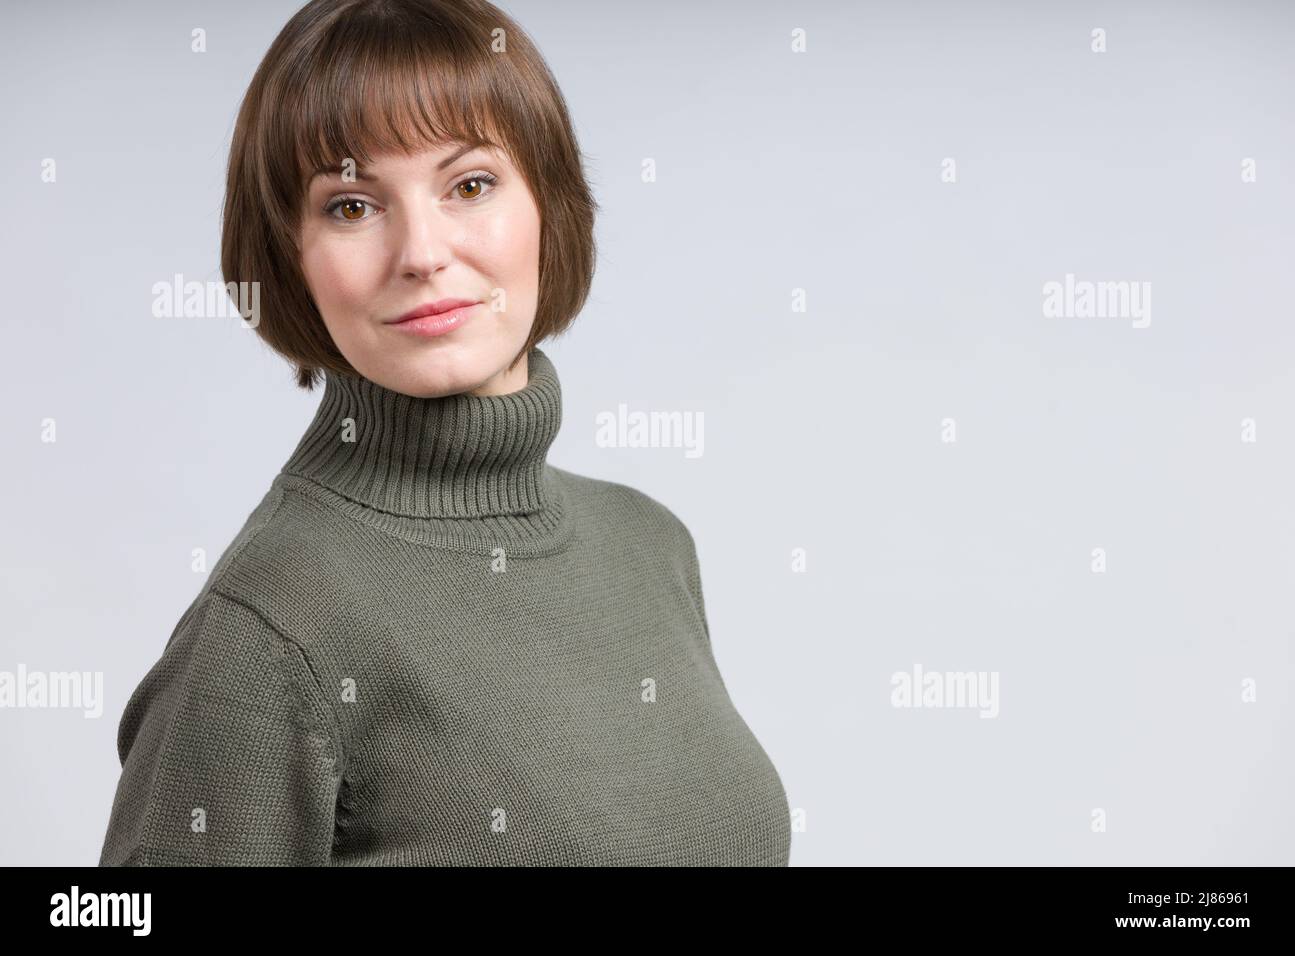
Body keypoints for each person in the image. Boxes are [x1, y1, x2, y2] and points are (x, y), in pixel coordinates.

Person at [98, 0, 791, 866]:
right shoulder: (269, 626)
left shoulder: (650, 546)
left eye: (470, 185)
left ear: (549, 202)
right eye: (351, 205)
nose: (422, 252)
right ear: (288, 261)